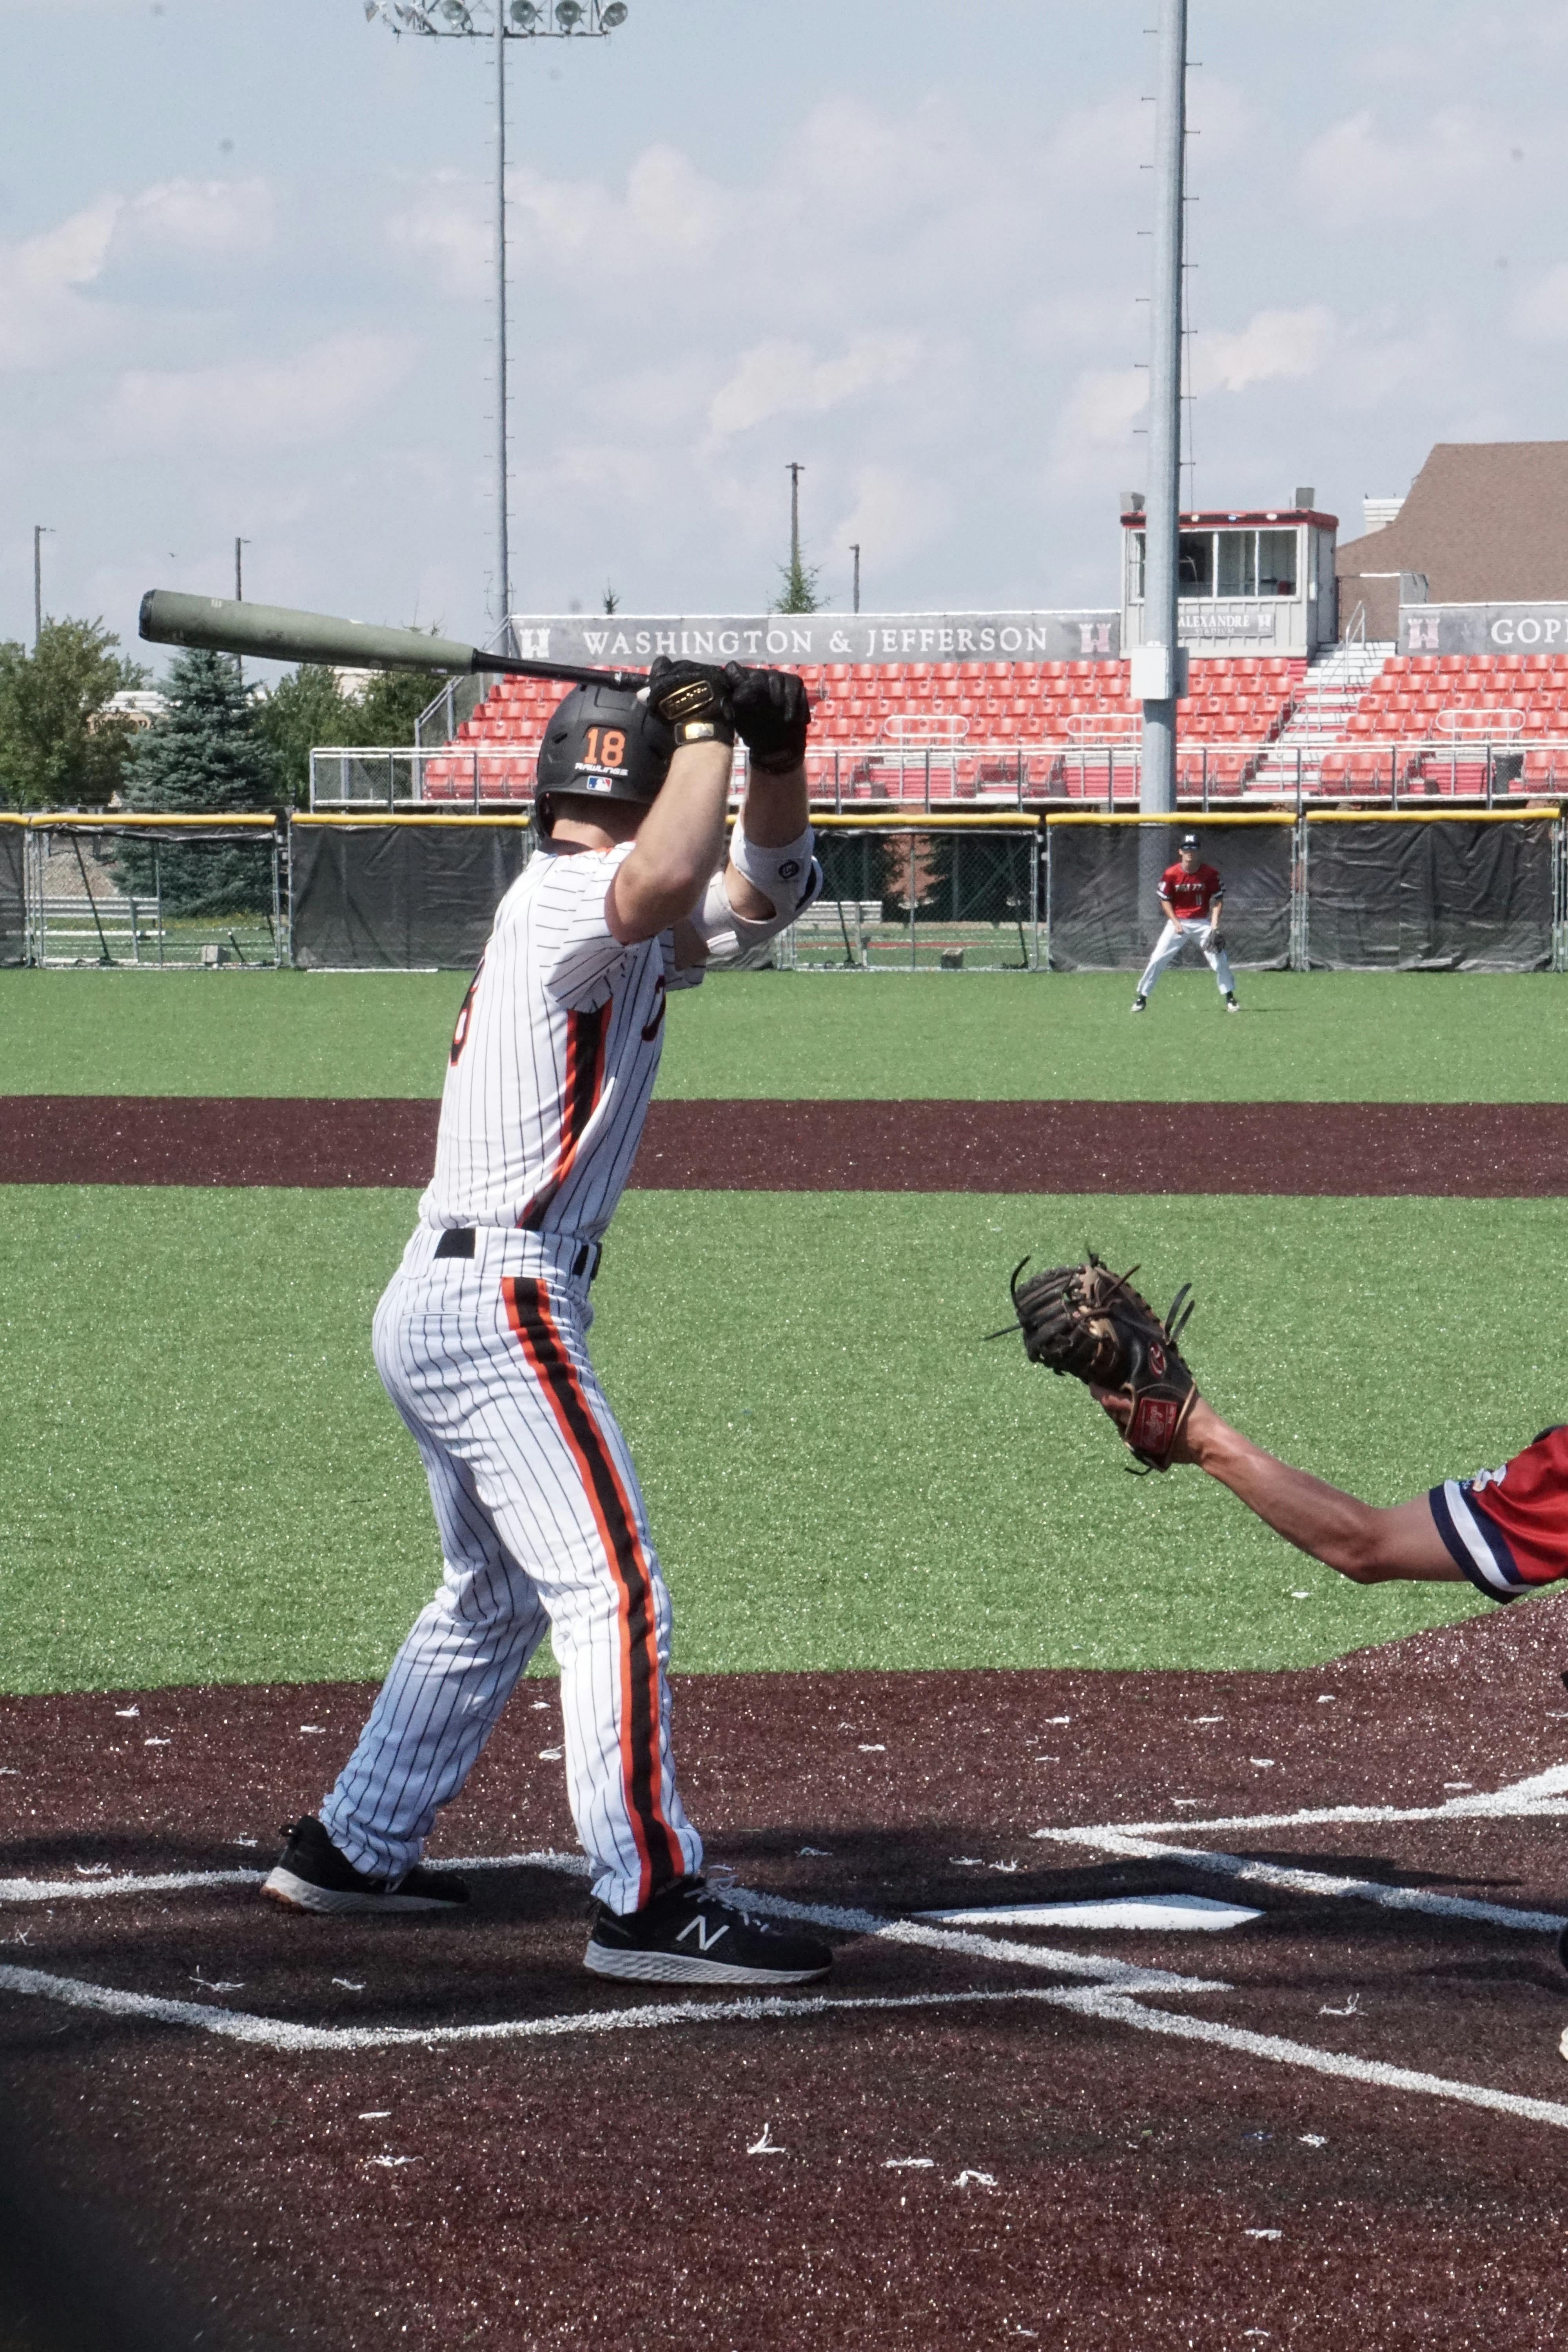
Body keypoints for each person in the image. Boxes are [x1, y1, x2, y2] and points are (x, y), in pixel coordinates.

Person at [263, 657, 833, 1989]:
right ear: (643, 787)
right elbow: (660, 880)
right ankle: (648, 1898)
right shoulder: (583, 896)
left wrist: (777, 752)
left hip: (453, 1292)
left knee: (497, 1593)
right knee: (612, 1584)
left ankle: (356, 1844)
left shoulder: (608, 911)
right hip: (500, 1294)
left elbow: (763, 895)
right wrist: (705, 732)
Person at [1131, 831, 1238, 1014]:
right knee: (1158, 959)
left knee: (1220, 959)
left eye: (1194, 849)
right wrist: (1175, 922)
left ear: (1199, 852)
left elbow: (1218, 899)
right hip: (1178, 922)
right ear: (1180, 852)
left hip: (1202, 922)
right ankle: (1142, 998)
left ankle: (1230, 998)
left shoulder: (1210, 874)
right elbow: (1165, 899)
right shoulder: (1172, 874)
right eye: (1187, 849)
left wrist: (1214, 926)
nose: (1190, 852)